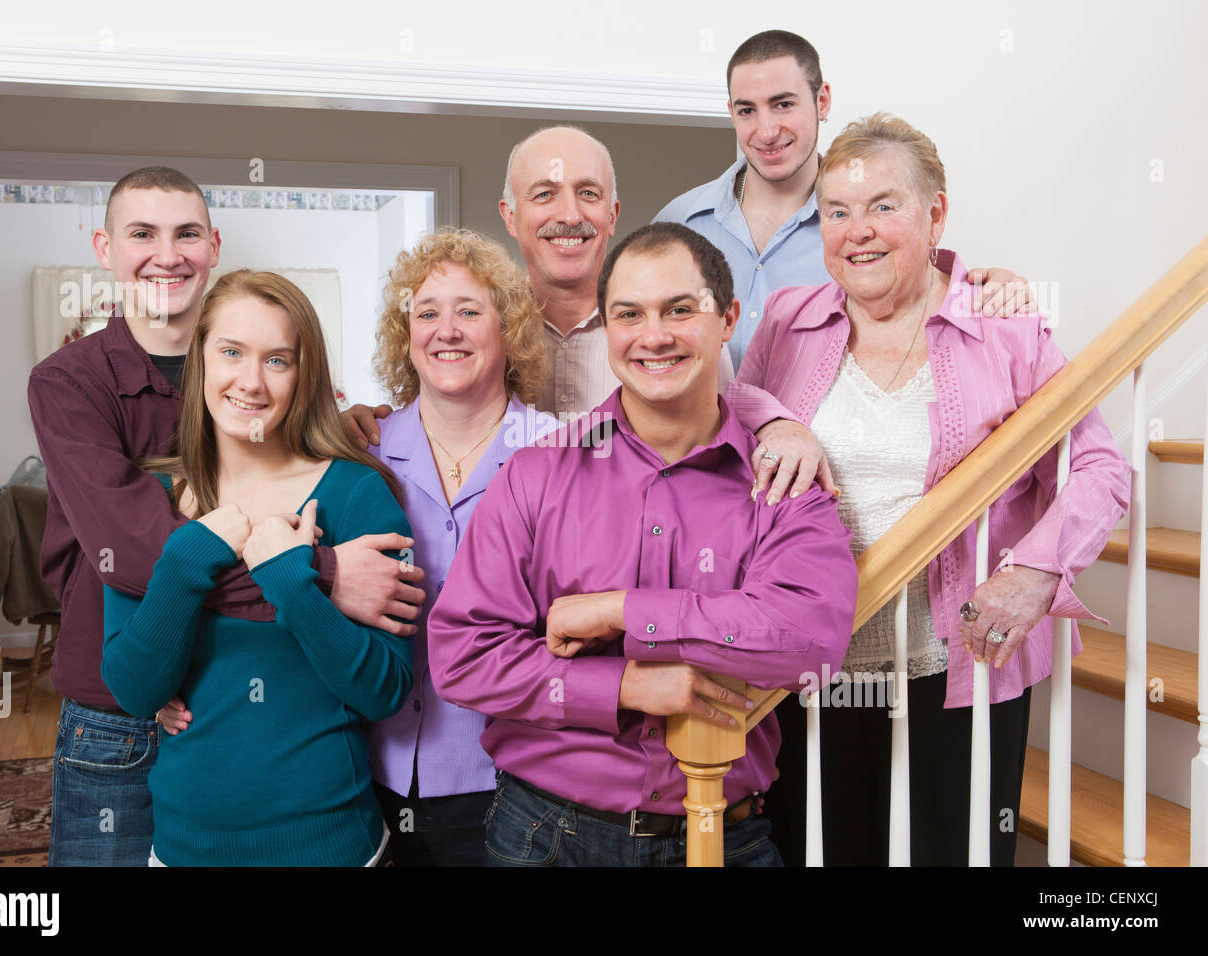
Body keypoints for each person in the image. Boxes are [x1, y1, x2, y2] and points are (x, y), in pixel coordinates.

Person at [741, 113, 1130, 866]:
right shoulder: (789, 320)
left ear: (935, 212)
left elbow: (1099, 467)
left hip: (963, 662)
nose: (858, 231)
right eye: (837, 211)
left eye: (884, 205)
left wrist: (1035, 571)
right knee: (820, 849)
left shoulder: (1005, 327)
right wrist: (776, 421)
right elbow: (730, 414)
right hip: (816, 668)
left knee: (959, 850)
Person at [427, 222, 858, 867]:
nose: (653, 336)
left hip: (725, 836)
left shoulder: (781, 478)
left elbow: (809, 638)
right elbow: (464, 655)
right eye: (630, 315)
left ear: (728, 317)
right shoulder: (537, 474)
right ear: (608, 328)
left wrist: (618, 612)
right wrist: (624, 684)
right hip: (545, 836)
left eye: (680, 310)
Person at [342, 125, 838, 505]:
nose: (570, 215)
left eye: (588, 193)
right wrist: (347, 428)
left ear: (613, 213)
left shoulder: (662, 338)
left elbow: (722, 416)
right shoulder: (480, 336)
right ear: (510, 216)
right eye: (544, 194)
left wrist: (779, 424)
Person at [100, 270, 413, 866]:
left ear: (305, 375)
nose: (251, 381)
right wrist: (184, 566)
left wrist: (295, 586)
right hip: (181, 847)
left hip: (332, 846)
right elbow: (135, 690)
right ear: (200, 360)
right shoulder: (152, 501)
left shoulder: (355, 491)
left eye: (277, 360)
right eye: (232, 352)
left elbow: (386, 691)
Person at [654, 29, 1036, 371]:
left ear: (822, 101)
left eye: (783, 104)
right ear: (731, 114)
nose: (766, 131)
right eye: (747, 110)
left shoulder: (863, 236)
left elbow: (927, 299)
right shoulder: (679, 222)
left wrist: (985, 287)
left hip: (818, 449)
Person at [362, 227, 560, 865]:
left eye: (469, 311)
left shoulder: (562, 453)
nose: (446, 330)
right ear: (406, 336)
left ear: (509, 331)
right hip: (373, 771)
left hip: (512, 781)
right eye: (427, 313)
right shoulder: (360, 455)